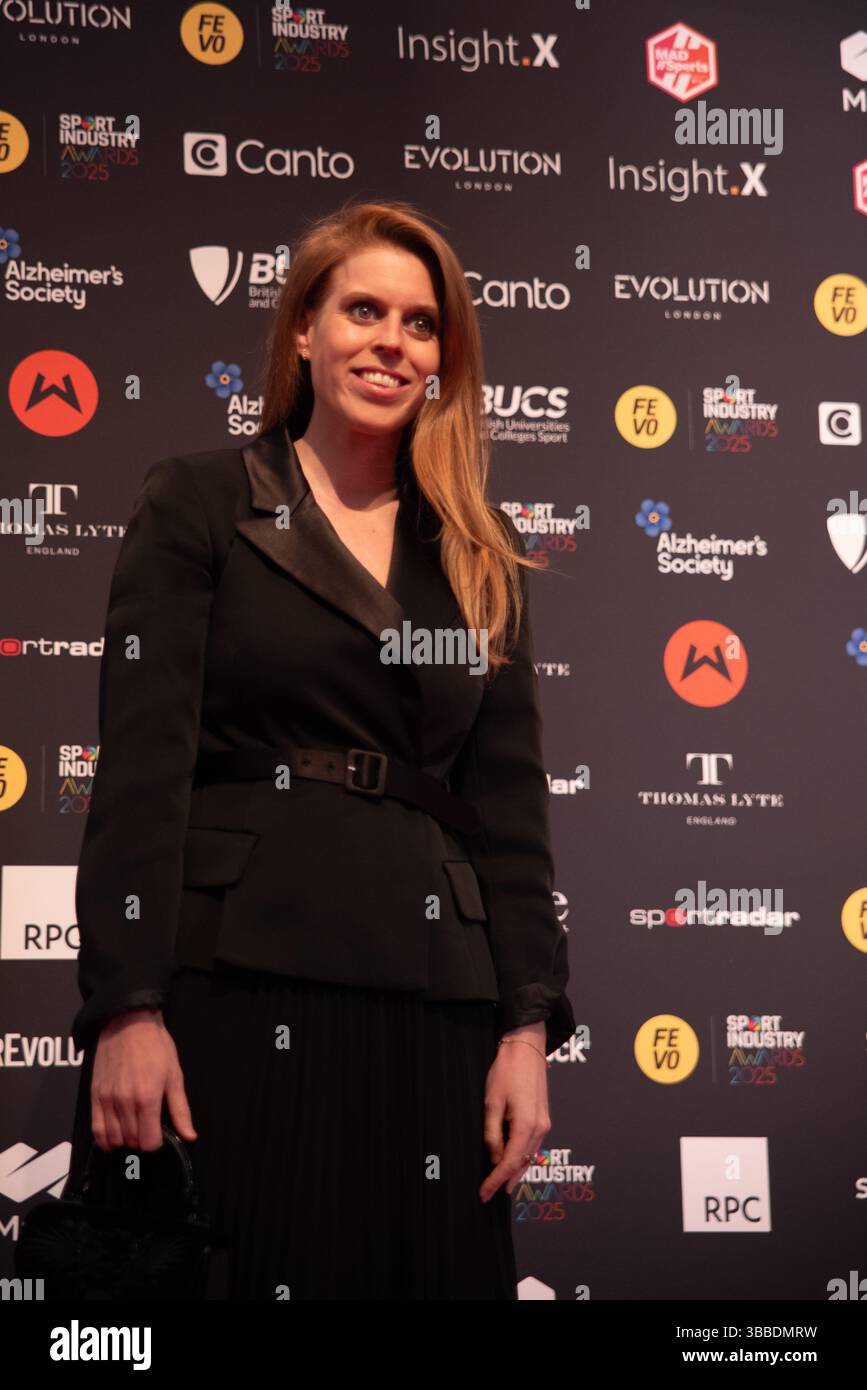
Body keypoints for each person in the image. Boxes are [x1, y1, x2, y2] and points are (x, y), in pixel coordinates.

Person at [64, 198, 576, 1300]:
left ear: (445, 357)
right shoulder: (201, 501)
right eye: (363, 310)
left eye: (421, 324)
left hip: (433, 1007)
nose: (392, 341)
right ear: (304, 328)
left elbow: (510, 812)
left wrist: (526, 1028)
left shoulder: (480, 551)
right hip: (234, 988)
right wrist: (127, 1008)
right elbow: (143, 776)